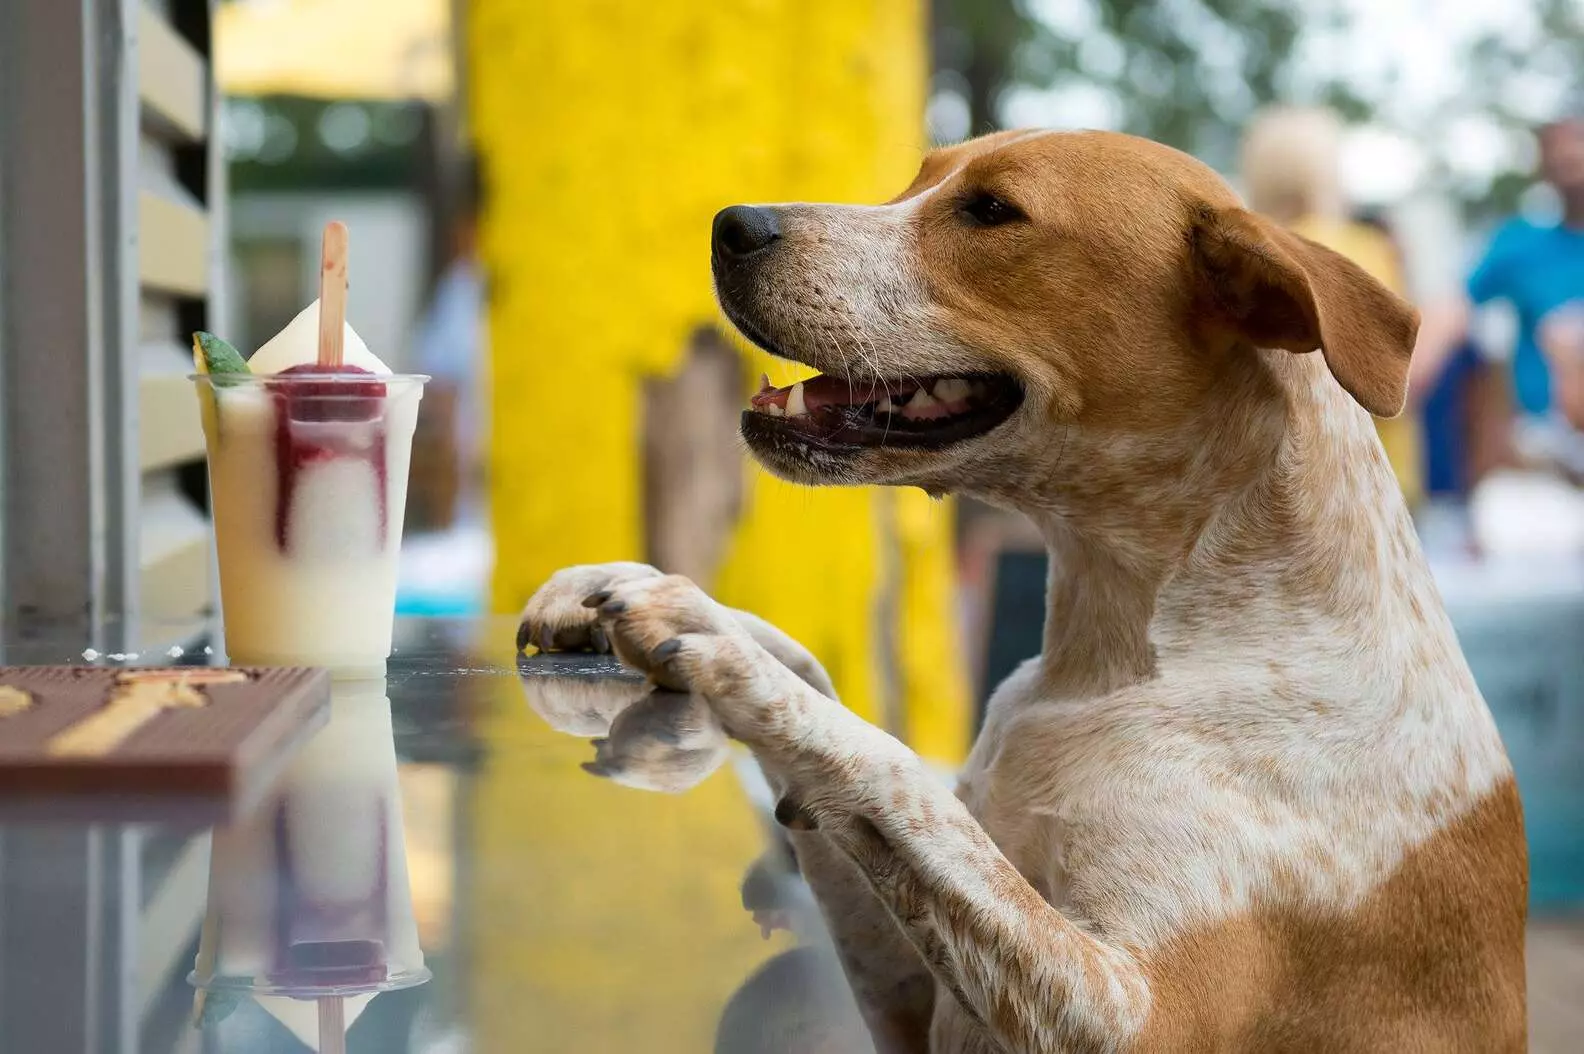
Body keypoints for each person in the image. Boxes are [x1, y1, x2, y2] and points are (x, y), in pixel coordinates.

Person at [1239, 106, 1425, 509]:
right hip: (1376, 475)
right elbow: (1401, 362)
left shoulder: (1253, 261)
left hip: (1292, 482)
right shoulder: (1367, 249)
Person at [1413, 110, 1584, 440]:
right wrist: (1397, 378)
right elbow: (1452, 309)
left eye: (1577, 139)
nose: (1567, 154)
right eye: (1554, 145)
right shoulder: (1520, 244)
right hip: (1546, 442)